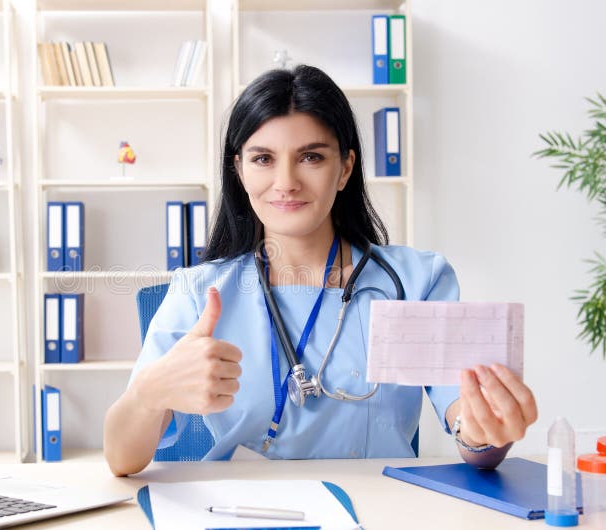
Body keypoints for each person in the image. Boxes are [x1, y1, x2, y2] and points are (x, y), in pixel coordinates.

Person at [103, 65, 537, 477]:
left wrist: (484, 433)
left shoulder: (416, 281)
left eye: (310, 157)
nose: (286, 181)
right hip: (245, 512)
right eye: (263, 159)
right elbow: (122, 458)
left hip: (381, 510)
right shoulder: (201, 292)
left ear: (345, 168)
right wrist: (149, 393)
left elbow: (463, 419)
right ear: (238, 170)